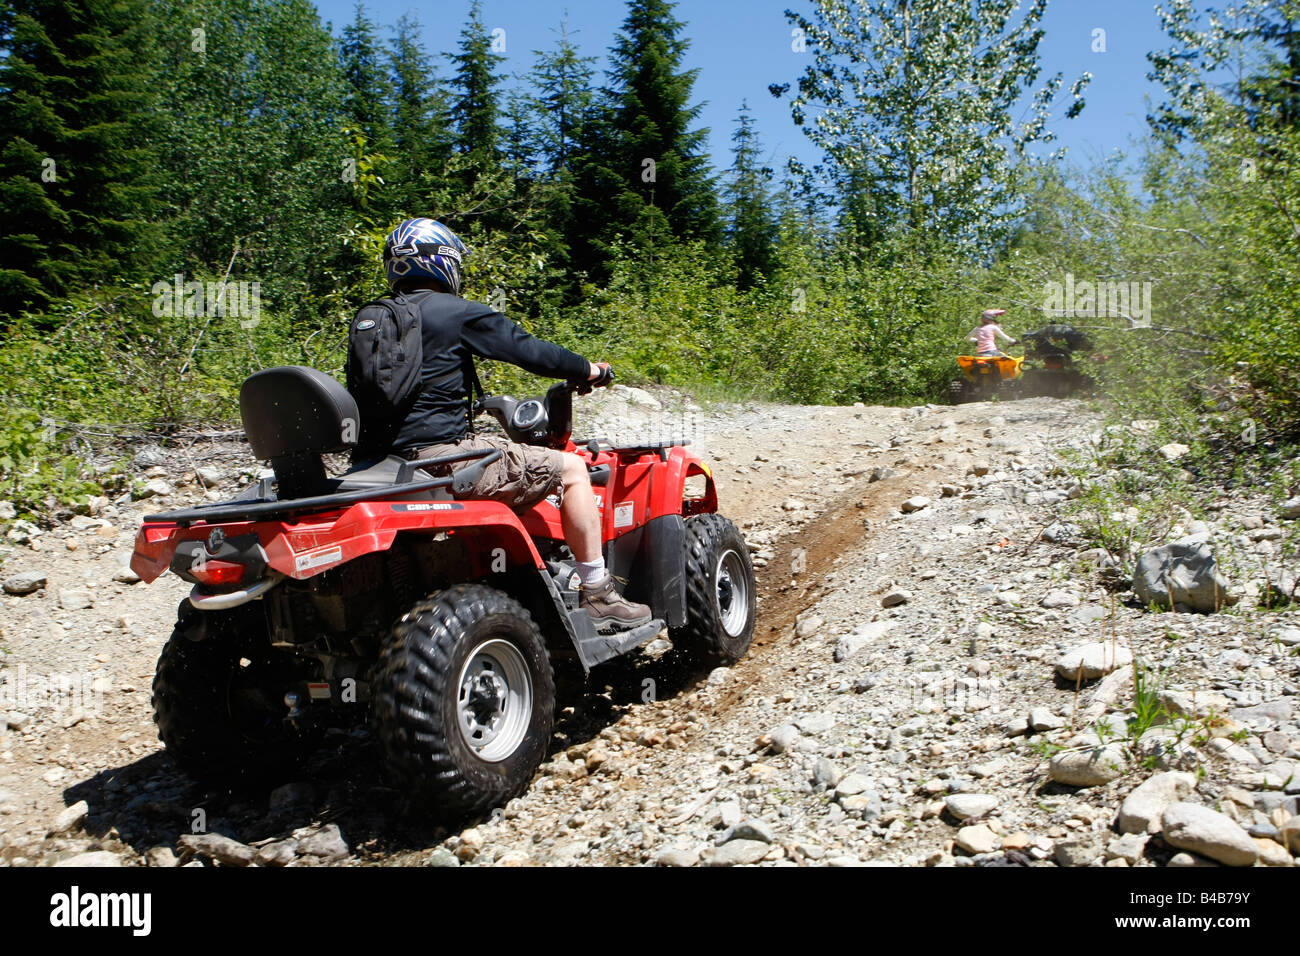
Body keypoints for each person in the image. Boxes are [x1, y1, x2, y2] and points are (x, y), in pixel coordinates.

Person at [377, 217, 652, 631]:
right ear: (442, 263)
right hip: (442, 461)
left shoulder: (370, 319)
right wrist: (588, 369)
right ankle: (598, 593)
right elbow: (528, 350)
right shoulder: (455, 313)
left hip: (384, 468)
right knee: (575, 470)